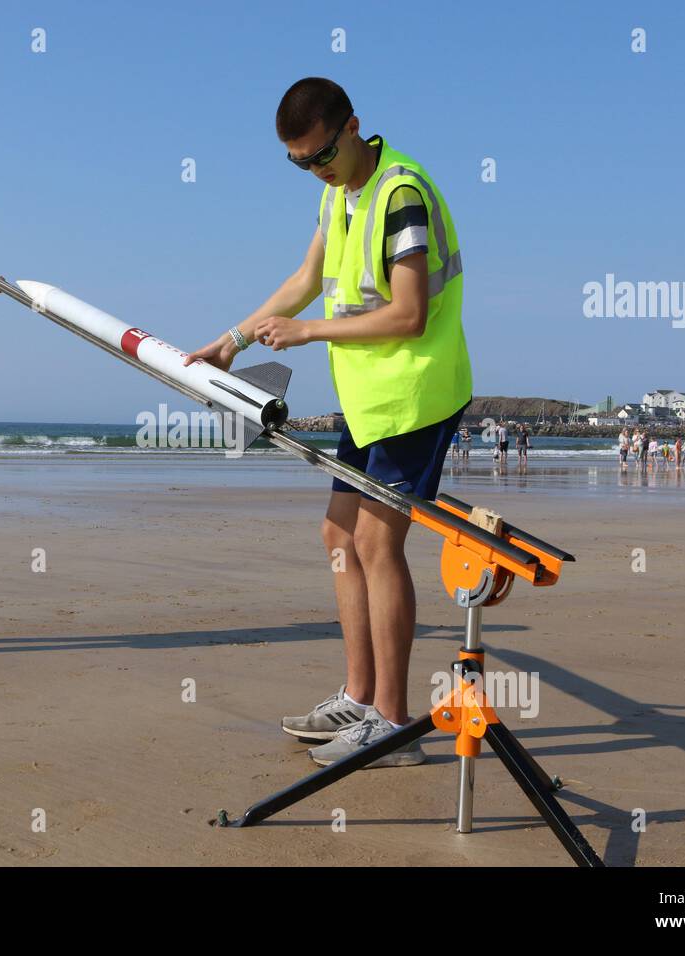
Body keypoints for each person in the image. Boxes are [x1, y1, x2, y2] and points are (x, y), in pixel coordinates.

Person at [186, 77, 471, 769]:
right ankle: (358, 693)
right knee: (338, 534)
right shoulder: (337, 193)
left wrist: (309, 334)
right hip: (372, 400)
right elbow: (306, 275)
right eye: (298, 163)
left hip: (417, 396)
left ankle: (394, 723)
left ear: (352, 129)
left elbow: (408, 314)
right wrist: (236, 337)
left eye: (319, 156)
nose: (312, 170)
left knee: (377, 543)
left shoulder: (400, 191)